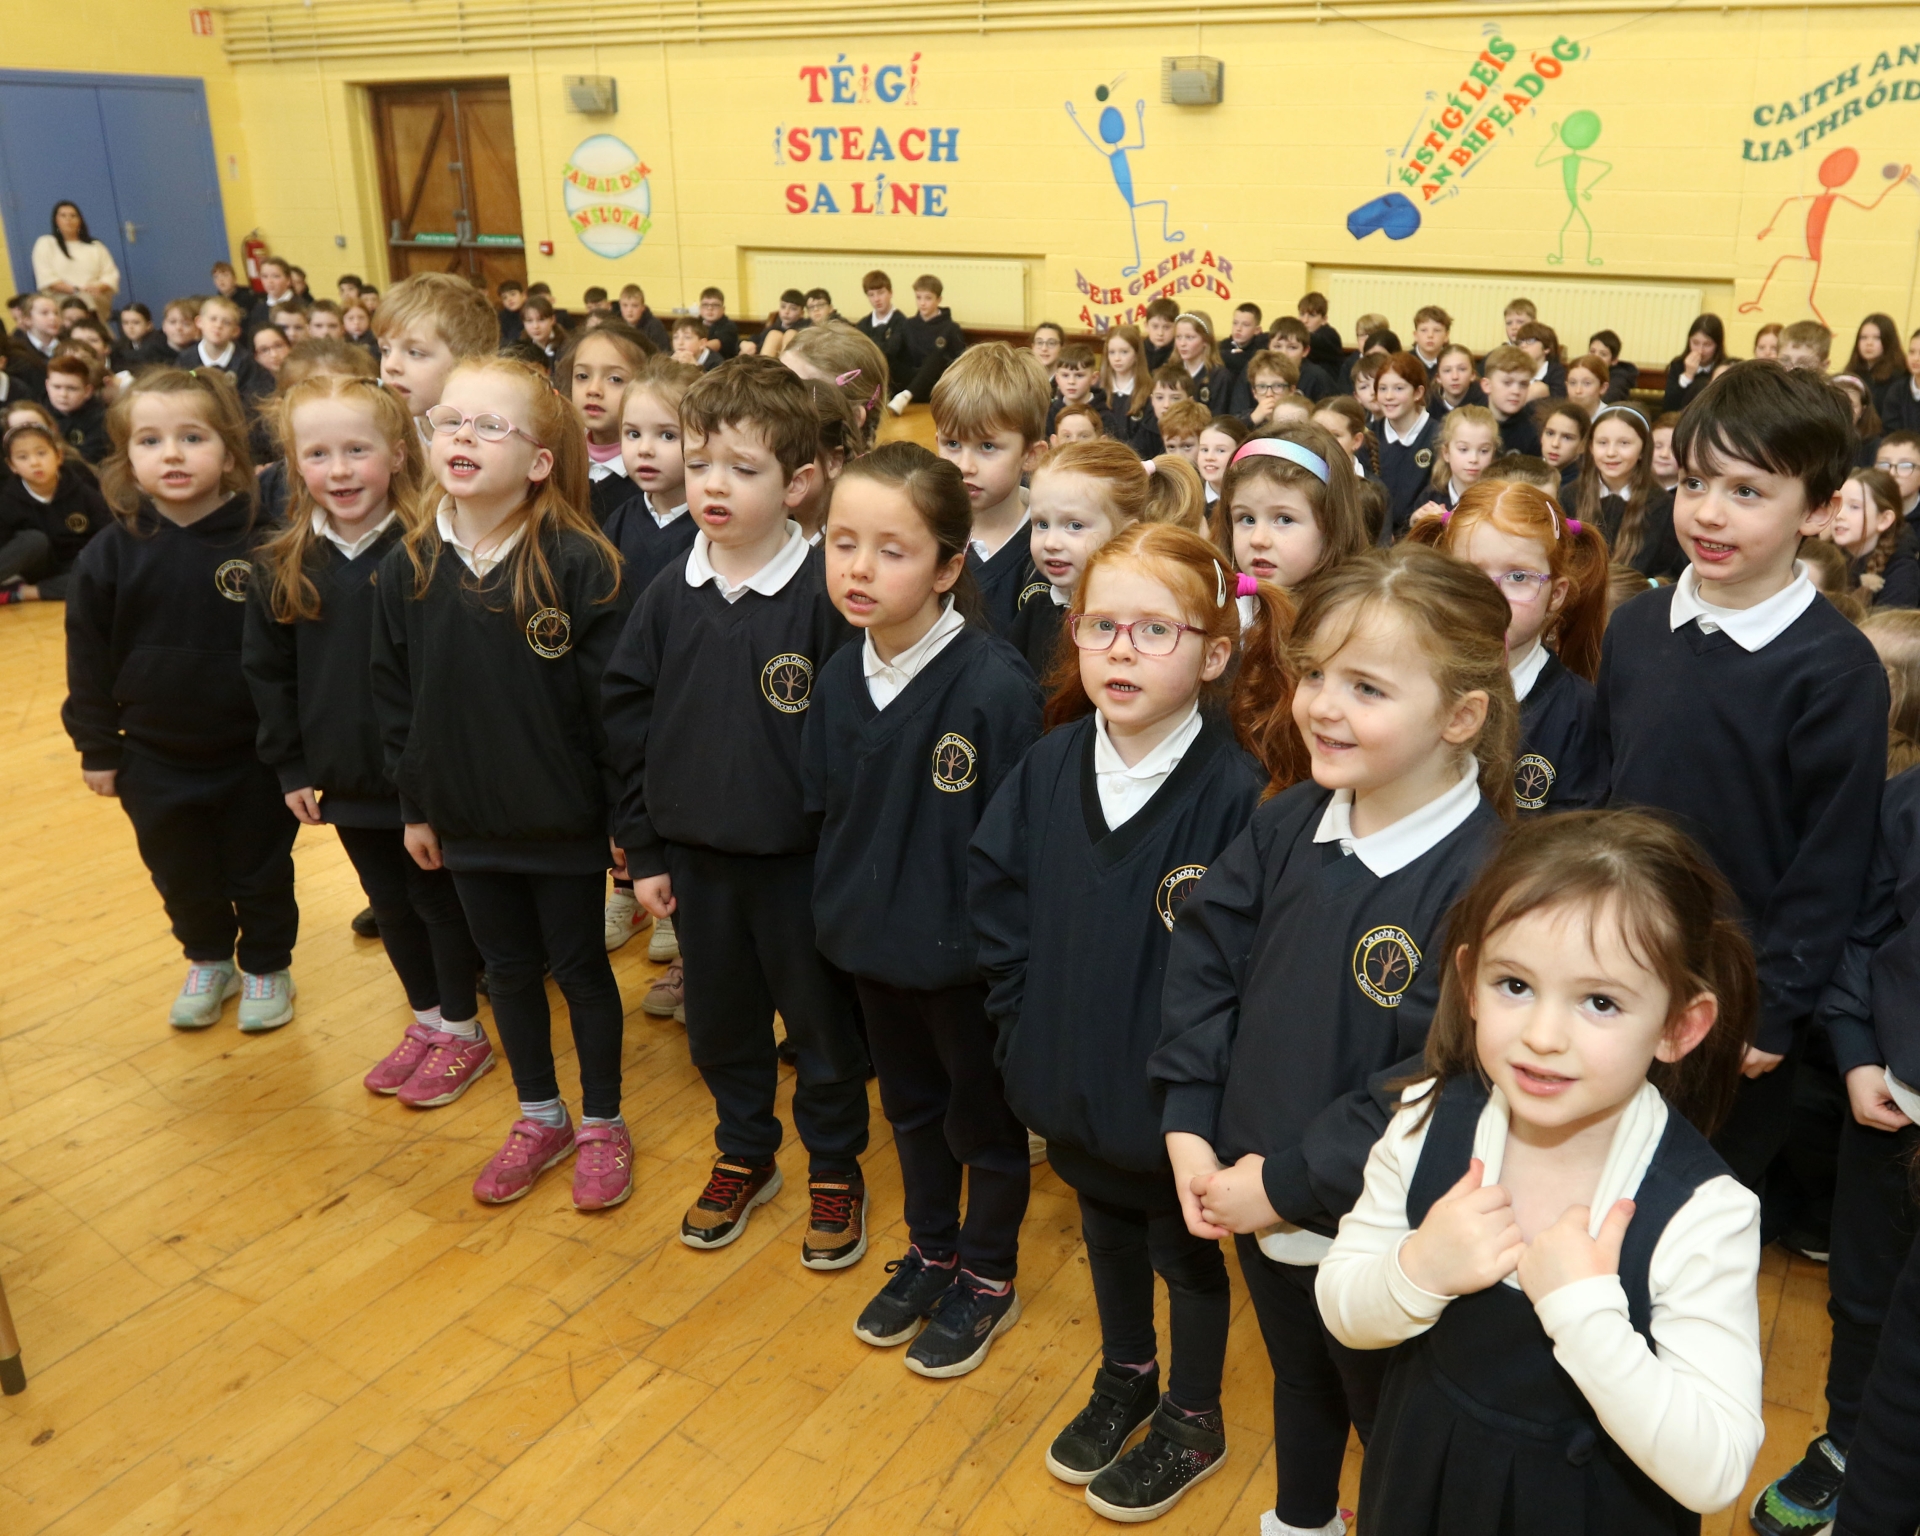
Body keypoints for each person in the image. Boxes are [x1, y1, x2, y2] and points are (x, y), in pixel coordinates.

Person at [1153, 542, 1512, 1536]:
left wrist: (1280, 1183)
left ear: (1461, 717)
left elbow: (1434, 1078)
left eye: (1366, 686)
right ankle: (1301, 1519)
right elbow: (1205, 968)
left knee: (1391, 1417)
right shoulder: (1290, 820)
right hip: (1250, 1194)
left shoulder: (1491, 882)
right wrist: (1190, 1124)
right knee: (1298, 1380)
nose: (1323, 705)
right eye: (1316, 675)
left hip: (1384, 1232)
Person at [1316, 810, 1765, 1534]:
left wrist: (1586, 1313)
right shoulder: (1429, 1114)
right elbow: (1341, 1302)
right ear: (1469, 980)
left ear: (1679, 1026)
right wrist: (1416, 1269)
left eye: (1600, 1002)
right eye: (1515, 986)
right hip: (1424, 1480)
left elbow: (1715, 1467)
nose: (1543, 1037)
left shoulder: (1705, 1214)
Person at [972, 522, 1296, 1523]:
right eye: (1102, 625)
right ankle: (1128, 1374)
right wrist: (1023, 1033)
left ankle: (1194, 1414)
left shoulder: (1245, 797)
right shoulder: (1050, 762)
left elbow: (1257, 977)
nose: (1120, 648)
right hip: (1070, 1081)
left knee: (1183, 1254)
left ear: (1211, 654)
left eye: (1154, 631)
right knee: (1104, 1232)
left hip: (1178, 1109)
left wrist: (1213, 1098)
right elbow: (999, 904)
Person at [1597, 362, 1888, 1206]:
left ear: (1822, 512)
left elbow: (1831, 861)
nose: (1709, 512)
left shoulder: (1835, 671)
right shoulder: (1638, 624)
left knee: (1688, 1214)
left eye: (1748, 491)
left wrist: (1775, 1006)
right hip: (1616, 964)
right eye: (1694, 482)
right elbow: (1602, 791)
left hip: (1734, 1000)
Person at [602, 357, 872, 1267]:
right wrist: (643, 851)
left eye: (744, 468)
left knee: (824, 1036)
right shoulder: (665, 596)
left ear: (799, 483)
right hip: (698, 867)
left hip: (802, 873)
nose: (713, 483)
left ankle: (835, 1169)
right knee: (719, 1029)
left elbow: (856, 750)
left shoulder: (826, 601)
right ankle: (745, 1153)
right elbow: (626, 724)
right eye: (700, 458)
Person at [802, 442, 1043, 1375]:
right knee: (908, 1110)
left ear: (949, 567)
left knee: (980, 1123)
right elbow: (827, 814)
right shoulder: (836, 677)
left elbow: (1020, 857)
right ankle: (932, 1250)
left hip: (966, 971)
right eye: (841, 542)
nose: (859, 569)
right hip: (873, 955)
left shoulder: (993, 690)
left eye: (891, 550)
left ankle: (986, 1273)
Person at [370, 356, 632, 1209]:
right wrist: (415, 805)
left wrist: (626, 823)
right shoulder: (404, 565)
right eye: (449, 421)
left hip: (562, 823)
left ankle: (601, 1121)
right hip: (465, 821)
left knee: (581, 971)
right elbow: (395, 700)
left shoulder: (581, 563)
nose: (462, 438)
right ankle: (539, 1113)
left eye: (490, 426)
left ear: (542, 460)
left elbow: (612, 716)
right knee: (508, 973)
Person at [243, 372, 490, 1108]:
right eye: (318, 454)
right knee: (387, 904)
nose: (340, 470)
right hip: (346, 779)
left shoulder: (431, 553)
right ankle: (426, 1021)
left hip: (425, 779)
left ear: (398, 457)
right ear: (295, 466)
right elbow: (270, 674)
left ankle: (464, 1031)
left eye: (357, 449)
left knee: (437, 904)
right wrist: (290, 764)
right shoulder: (281, 563)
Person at [62, 367, 298, 1030]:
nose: (171, 453)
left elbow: (290, 658)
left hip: (252, 756)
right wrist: (97, 747)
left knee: (260, 871)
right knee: (181, 872)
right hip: (153, 760)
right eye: (150, 440)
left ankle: (266, 966)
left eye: (191, 436)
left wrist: (297, 749)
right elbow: (88, 659)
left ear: (228, 452)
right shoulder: (108, 556)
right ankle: (208, 958)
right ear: (126, 457)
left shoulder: (265, 544)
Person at [1753, 607, 1920, 1534]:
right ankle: (1851, 1438)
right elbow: (1861, 939)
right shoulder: (1905, 804)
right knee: (1865, 1294)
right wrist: (1857, 1056)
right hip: (1891, 1108)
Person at [1413, 480, 1609, 813]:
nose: (1492, 598)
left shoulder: (1579, 716)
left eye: (1519, 577)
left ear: (1556, 595)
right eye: (1470, 573)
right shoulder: (1410, 681)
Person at [598, 359, 701, 977]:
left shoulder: (706, 522)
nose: (646, 450)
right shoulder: (619, 518)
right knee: (627, 801)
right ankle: (628, 891)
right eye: (634, 434)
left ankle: (681, 938)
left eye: (667, 435)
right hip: (632, 693)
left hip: (684, 697)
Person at [931, 342, 1049, 638]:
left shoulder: (1054, 544)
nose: (965, 465)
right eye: (952, 444)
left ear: (1031, 455)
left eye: (987, 446)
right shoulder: (924, 531)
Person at [1009, 438, 1150, 678]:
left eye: (1074, 525)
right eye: (1041, 524)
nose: (1051, 543)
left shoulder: (1142, 624)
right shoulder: (1038, 609)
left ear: (1127, 534)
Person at [1215, 427, 1369, 609]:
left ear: (1332, 525)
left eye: (1284, 519)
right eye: (1247, 519)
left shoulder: (1352, 622)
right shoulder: (1221, 613)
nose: (1258, 539)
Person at [0, 421, 109, 604]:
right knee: (33, 540)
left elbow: (106, 530)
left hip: (74, 564)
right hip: (36, 567)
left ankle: (22, 593)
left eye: (41, 453)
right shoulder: (8, 499)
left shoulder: (81, 490)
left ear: (58, 456)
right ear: (12, 466)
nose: (35, 463)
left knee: (100, 575)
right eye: (23, 457)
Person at [559, 321, 655, 528]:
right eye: (582, 376)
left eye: (615, 379)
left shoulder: (652, 474)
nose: (593, 389)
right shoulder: (559, 461)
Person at [374, 270, 501, 426]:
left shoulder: (490, 441)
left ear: (467, 362)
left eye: (415, 353)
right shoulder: (385, 430)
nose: (390, 365)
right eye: (385, 350)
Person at [1574, 403, 1682, 579]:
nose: (1611, 452)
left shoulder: (1662, 506)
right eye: (1602, 443)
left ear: (1643, 450)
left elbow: (1667, 571)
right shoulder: (1570, 495)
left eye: (1624, 443)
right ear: (1591, 447)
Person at [1831, 467, 1919, 609]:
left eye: (1854, 507)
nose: (1839, 515)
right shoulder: (1825, 555)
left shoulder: (1901, 570)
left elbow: (1889, 628)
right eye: (1837, 504)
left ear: (1884, 519)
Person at [1373, 353, 1438, 538]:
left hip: (1420, 536)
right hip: (1376, 538)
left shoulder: (1438, 436)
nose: (1388, 396)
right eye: (1382, 388)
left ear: (1418, 393)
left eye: (1399, 388)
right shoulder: (1369, 435)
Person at [890, 274, 967, 410]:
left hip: (935, 385)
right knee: (889, 356)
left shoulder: (950, 328)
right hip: (910, 380)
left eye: (928, 298)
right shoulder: (908, 325)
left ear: (939, 300)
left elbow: (960, 361)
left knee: (938, 357)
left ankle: (906, 396)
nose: (922, 303)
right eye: (918, 297)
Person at [175, 296, 272, 404]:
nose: (218, 325)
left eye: (226, 322)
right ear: (199, 322)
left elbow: (252, 401)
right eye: (213, 319)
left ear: (235, 331)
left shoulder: (246, 362)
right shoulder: (186, 359)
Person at [31, 202, 119, 314]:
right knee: (84, 301)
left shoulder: (95, 246)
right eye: (63, 216)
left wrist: (98, 288)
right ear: (56, 220)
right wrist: (77, 291)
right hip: (61, 297)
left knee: (88, 299)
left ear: (80, 220)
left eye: (73, 216)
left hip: (96, 295)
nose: (68, 219)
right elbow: (47, 279)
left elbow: (111, 275)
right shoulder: (46, 243)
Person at [1414, 404, 1498, 520]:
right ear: (1446, 453)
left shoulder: (1499, 499)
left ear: (1493, 453)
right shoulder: (1430, 497)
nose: (1473, 459)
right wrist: (1415, 523)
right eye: (1463, 449)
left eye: (1484, 451)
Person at [43, 353, 110, 463]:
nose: (63, 394)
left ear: (87, 391)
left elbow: (94, 458)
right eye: (57, 387)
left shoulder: (101, 420)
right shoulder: (38, 415)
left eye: (71, 389)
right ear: (47, 386)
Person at [1481, 345, 1543, 456]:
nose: (1516, 391)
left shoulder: (1534, 431)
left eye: (1523, 384)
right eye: (1507, 383)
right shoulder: (1468, 422)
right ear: (1487, 385)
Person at [855, 269, 909, 393]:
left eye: (881, 293)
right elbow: (858, 352)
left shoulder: (901, 322)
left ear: (890, 293)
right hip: (868, 379)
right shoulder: (864, 324)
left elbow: (890, 351)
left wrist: (870, 346)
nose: (876, 299)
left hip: (894, 382)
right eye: (871, 295)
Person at [1664, 315, 1727, 411]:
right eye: (1695, 343)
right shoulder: (1678, 365)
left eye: (1707, 344)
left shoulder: (1724, 367)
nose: (1700, 350)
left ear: (1717, 345)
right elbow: (1668, 406)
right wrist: (1687, 376)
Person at [1538, 400, 1590, 495]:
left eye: (1567, 437)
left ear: (1582, 445)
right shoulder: (1528, 473)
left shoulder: (1582, 486)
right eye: (1550, 433)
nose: (1555, 444)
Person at [1427, 342, 1485, 418]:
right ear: (1438, 378)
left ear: (1472, 375)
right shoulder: (1428, 403)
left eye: (1462, 369)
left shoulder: (1485, 403)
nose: (1455, 377)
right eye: (1447, 370)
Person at [756, 289, 809, 359]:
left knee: (790, 334)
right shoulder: (775, 326)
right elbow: (758, 339)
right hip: (771, 364)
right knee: (774, 334)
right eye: (783, 307)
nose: (786, 312)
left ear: (802, 313)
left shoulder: (805, 327)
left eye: (793, 309)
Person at [614, 284, 669, 351]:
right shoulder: (615, 325)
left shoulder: (654, 326)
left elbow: (664, 352)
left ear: (643, 307)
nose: (629, 310)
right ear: (620, 305)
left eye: (635, 306)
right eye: (625, 305)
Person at [696, 288, 742, 359]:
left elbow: (715, 345)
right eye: (705, 305)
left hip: (721, 365)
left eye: (715, 305)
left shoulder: (729, 326)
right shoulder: (695, 324)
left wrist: (691, 348)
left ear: (723, 309)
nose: (710, 308)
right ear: (700, 308)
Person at [1143, 297, 1179, 372]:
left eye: (1166, 327)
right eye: (1155, 326)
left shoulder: (1179, 352)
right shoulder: (1138, 349)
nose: (1160, 333)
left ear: (1176, 327)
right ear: (1146, 326)